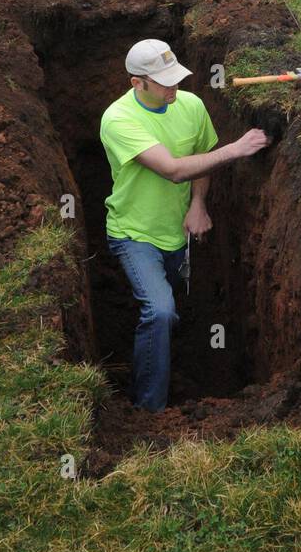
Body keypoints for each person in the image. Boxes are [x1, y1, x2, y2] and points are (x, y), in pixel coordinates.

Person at [100, 38, 269, 413]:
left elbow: (199, 159)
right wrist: (236, 149)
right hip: (134, 233)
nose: (173, 86)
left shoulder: (190, 105)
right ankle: (148, 410)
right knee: (160, 310)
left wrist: (198, 204)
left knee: (170, 309)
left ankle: (166, 347)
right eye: (163, 81)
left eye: (175, 77)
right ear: (137, 83)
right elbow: (175, 170)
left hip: (177, 235)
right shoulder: (118, 120)